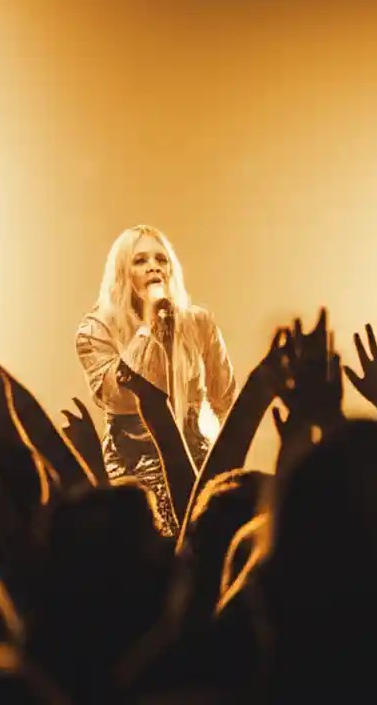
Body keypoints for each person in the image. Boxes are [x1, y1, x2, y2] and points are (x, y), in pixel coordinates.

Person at [75, 225, 236, 534]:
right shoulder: (95, 330)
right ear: (122, 272)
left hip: (195, 464)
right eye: (140, 260)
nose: (153, 267)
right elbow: (116, 395)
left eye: (161, 259)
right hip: (133, 476)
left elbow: (224, 395)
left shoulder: (198, 322)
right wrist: (148, 327)